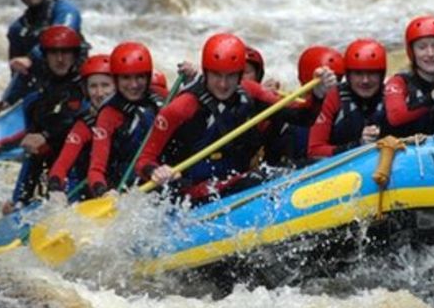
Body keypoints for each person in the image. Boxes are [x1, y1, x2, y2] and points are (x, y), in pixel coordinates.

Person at [135, 32, 337, 202]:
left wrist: (317, 94)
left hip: (234, 180)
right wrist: (156, 171)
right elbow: (143, 160)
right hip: (192, 191)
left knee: (301, 167)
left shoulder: (249, 92)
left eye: (230, 76)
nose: (223, 84)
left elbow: (300, 117)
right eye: (217, 75)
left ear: (240, 74)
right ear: (205, 72)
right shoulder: (181, 108)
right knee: (257, 179)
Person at [0, 25, 87, 213]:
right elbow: (33, 155)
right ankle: (24, 201)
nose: (60, 59)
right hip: (56, 178)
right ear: (45, 56)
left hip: (84, 172)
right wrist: (20, 199)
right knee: (34, 151)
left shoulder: (88, 89)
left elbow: (82, 117)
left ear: (75, 55)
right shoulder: (37, 99)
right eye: (54, 53)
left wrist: (47, 135)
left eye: (66, 53)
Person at [0, 0, 83, 115]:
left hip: (76, 82)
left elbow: (61, 35)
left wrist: (30, 58)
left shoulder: (65, 9)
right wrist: (8, 101)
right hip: (46, 89)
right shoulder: (17, 29)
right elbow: (19, 74)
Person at [81, 41, 164, 196]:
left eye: (140, 77)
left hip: (160, 176)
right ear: (116, 79)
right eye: (126, 78)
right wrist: (103, 191)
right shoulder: (108, 114)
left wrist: (192, 78)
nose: (133, 85)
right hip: (123, 188)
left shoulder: (160, 98)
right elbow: (96, 170)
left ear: (148, 77)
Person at [44, 54, 117, 200]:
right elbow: (61, 165)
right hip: (93, 191)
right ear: (86, 90)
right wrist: (55, 188)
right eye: (93, 86)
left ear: (117, 86)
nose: (99, 93)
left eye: (105, 85)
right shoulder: (84, 125)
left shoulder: (131, 117)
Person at [265, 44, 346, 164]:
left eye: (337, 80)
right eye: (329, 80)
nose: (333, 86)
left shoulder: (344, 105)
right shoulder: (284, 108)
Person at [308, 40, 386, 158]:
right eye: (358, 73)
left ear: (382, 75)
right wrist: (358, 145)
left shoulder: (392, 95)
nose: (365, 80)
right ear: (348, 76)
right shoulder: (334, 97)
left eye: (372, 73)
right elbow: (314, 151)